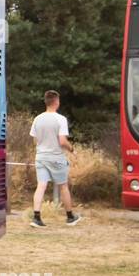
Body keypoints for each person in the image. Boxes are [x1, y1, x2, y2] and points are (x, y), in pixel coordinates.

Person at [29, 90, 81, 228]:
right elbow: (62, 141)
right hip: (56, 157)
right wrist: (72, 150)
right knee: (63, 186)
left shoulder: (37, 119)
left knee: (41, 185)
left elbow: (35, 140)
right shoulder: (60, 119)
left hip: (41, 156)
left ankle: (36, 217)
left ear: (45, 102)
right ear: (56, 102)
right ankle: (70, 217)